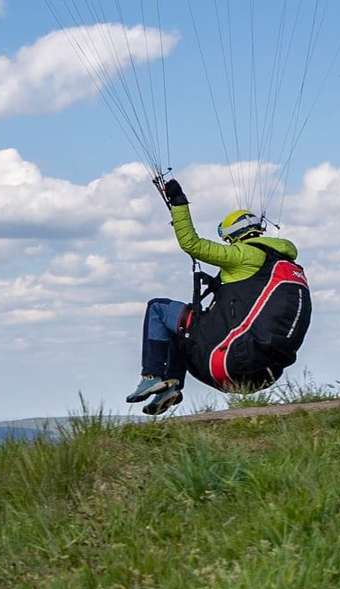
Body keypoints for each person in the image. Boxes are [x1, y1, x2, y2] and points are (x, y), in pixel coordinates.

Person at [127, 177, 312, 415]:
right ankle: (170, 386)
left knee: (159, 309)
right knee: (180, 325)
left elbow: (191, 244)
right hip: (264, 374)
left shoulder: (244, 254)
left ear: (232, 236)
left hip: (227, 364)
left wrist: (178, 203)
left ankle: (152, 376)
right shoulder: (286, 264)